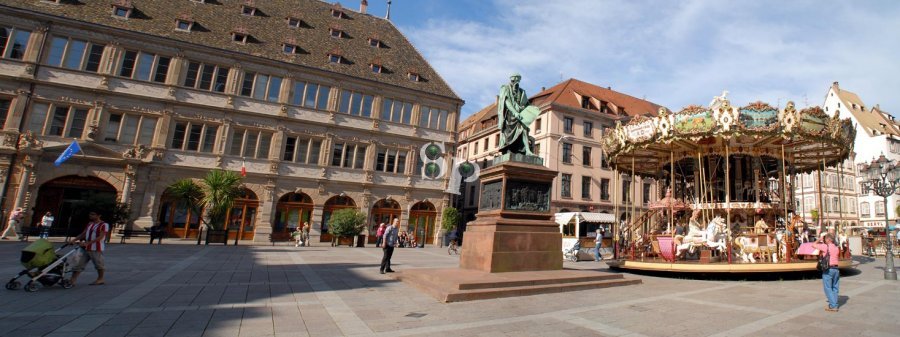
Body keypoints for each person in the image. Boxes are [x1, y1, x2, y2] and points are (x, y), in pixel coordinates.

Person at [69, 210, 109, 286]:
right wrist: (74, 240)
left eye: (93, 214)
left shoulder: (104, 224)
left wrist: (88, 242)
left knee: (98, 264)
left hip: (96, 248)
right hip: (85, 247)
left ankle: (100, 279)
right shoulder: (90, 224)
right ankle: (72, 279)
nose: (91, 216)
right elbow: (83, 234)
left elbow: (101, 236)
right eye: (90, 214)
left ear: (99, 215)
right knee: (79, 263)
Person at [813, 233, 840, 312]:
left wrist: (819, 239)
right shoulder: (836, 247)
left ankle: (833, 305)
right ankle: (834, 303)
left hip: (828, 269)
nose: (824, 240)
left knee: (827, 288)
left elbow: (813, 245)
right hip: (836, 269)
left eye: (825, 239)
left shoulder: (825, 246)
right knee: (835, 287)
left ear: (828, 239)